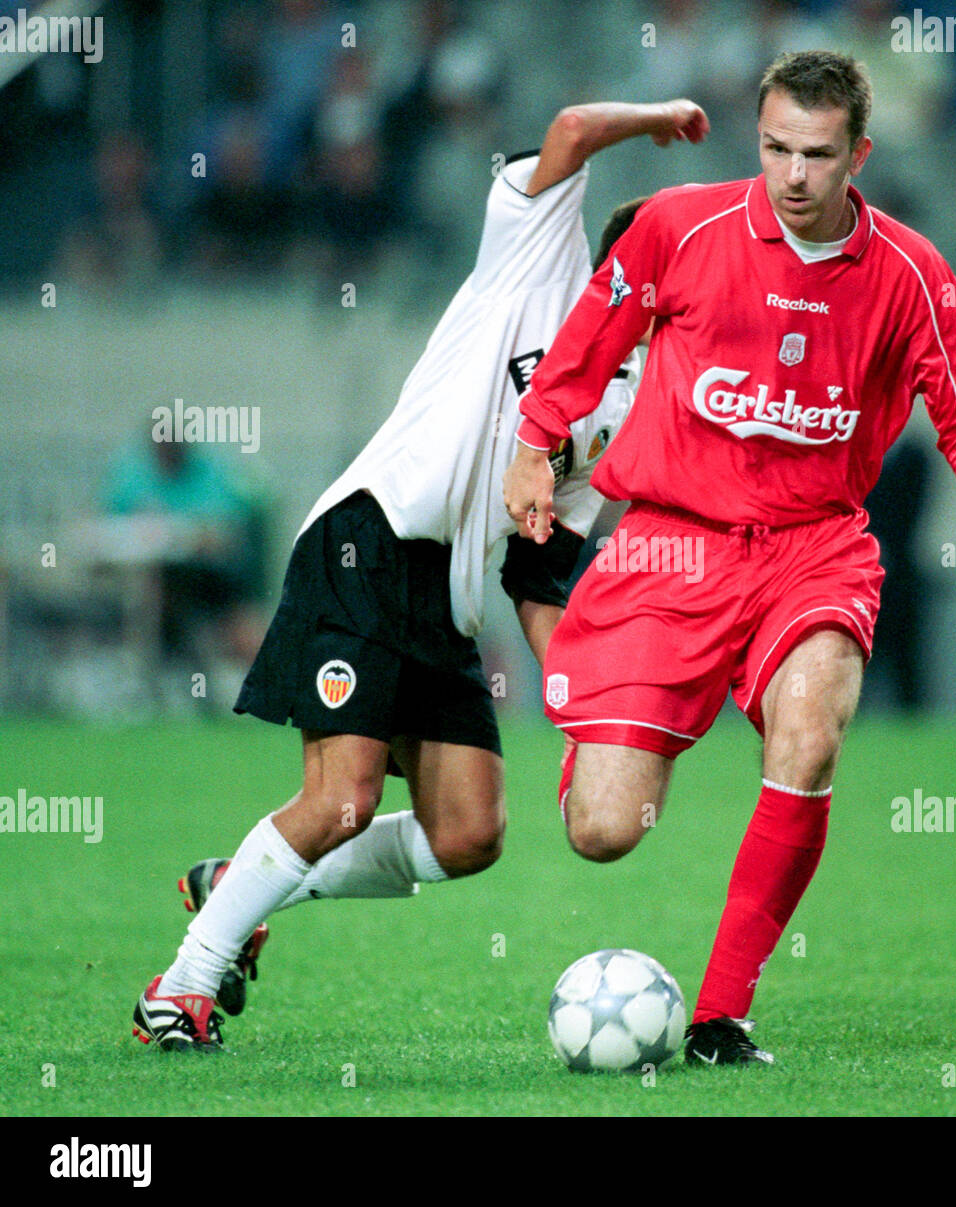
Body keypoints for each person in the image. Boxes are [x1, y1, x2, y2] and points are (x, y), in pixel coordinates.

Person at [503, 51, 956, 1066]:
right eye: (775, 147)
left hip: (813, 548)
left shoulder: (910, 275)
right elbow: (593, 335)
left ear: (858, 153)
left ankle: (721, 1014)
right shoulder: (676, 228)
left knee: (809, 735)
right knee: (603, 829)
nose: (793, 175)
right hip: (671, 545)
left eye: (818, 155)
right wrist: (533, 437)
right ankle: (596, 750)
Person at [132, 97, 709, 1052]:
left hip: (447, 596)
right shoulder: (542, 260)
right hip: (371, 538)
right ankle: (181, 989)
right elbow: (564, 129)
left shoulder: (629, 412)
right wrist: (654, 120)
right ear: (637, 266)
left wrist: (579, 693)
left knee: (470, 832)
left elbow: (540, 563)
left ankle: (243, 878)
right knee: (346, 796)